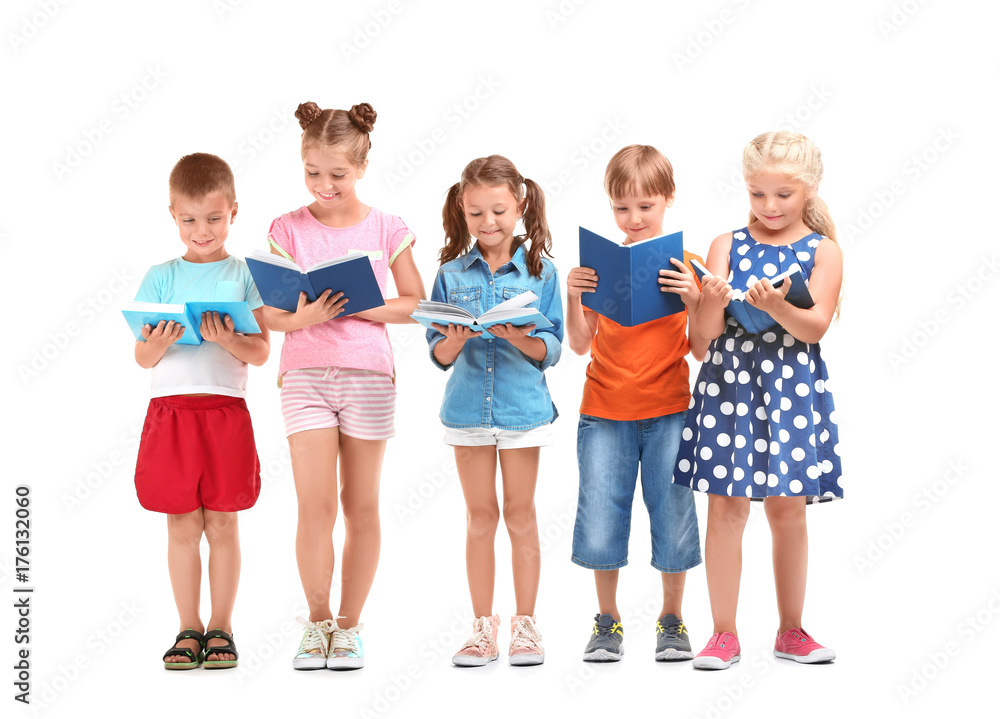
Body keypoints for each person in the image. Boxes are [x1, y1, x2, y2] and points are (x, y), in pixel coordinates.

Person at [261, 101, 425, 670]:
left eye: (337, 174)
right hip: (304, 374)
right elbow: (271, 315)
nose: (324, 185)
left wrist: (362, 307)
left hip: (368, 375)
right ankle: (316, 622)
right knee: (315, 507)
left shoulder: (388, 227)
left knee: (361, 506)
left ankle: (350, 627)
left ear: (361, 166)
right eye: (313, 173)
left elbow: (414, 304)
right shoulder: (286, 227)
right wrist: (305, 318)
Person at [674, 130, 843, 670]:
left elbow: (815, 328)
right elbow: (702, 344)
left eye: (783, 196)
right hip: (728, 387)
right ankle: (723, 634)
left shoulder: (824, 251)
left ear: (810, 190)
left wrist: (775, 307)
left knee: (788, 508)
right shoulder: (726, 245)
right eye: (757, 194)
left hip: (791, 390)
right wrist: (708, 300)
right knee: (726, 507)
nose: (769, 207)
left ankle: (791, 630)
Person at [566, 145, 708, 662]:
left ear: (668, 200)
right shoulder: (599, 267)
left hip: (670, 408)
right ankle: (608, 620)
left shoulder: (688, 265)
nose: (635, 218)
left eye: (646, 206)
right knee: (603, 513)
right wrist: (573, 294)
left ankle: (672, 618)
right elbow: (579, 344)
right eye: (622, 208)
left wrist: (696, 301)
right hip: (604, 410)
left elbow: (700, 349)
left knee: (673, 512)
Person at [133, 152, 270, 670]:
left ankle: (222, 628)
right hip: (170, 412)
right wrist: (161, 340)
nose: (202, 230)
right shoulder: (161, 276)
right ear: (173, 215)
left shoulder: (244, 274)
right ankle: (188, 627)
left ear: (234, 211)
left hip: (224, 411)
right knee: (182, 525)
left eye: (214, 218)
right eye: (189, 220)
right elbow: (142, 355)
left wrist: (230, 337)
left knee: (224, 523)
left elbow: (260, 352)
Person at [426, 155, 563, 667]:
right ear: (462, 208)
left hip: (523, 410)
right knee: (480, 518)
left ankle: (525, 626)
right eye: (477, 212)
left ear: (520, 205)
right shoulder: (449, 273)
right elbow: (435, 352)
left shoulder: (542, 271)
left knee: (521, 516)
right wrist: (455, 341)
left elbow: (553, 347)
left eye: (500, 211)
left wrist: (521, 337)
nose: (489, 223)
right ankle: (483, 628)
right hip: (466, 412)